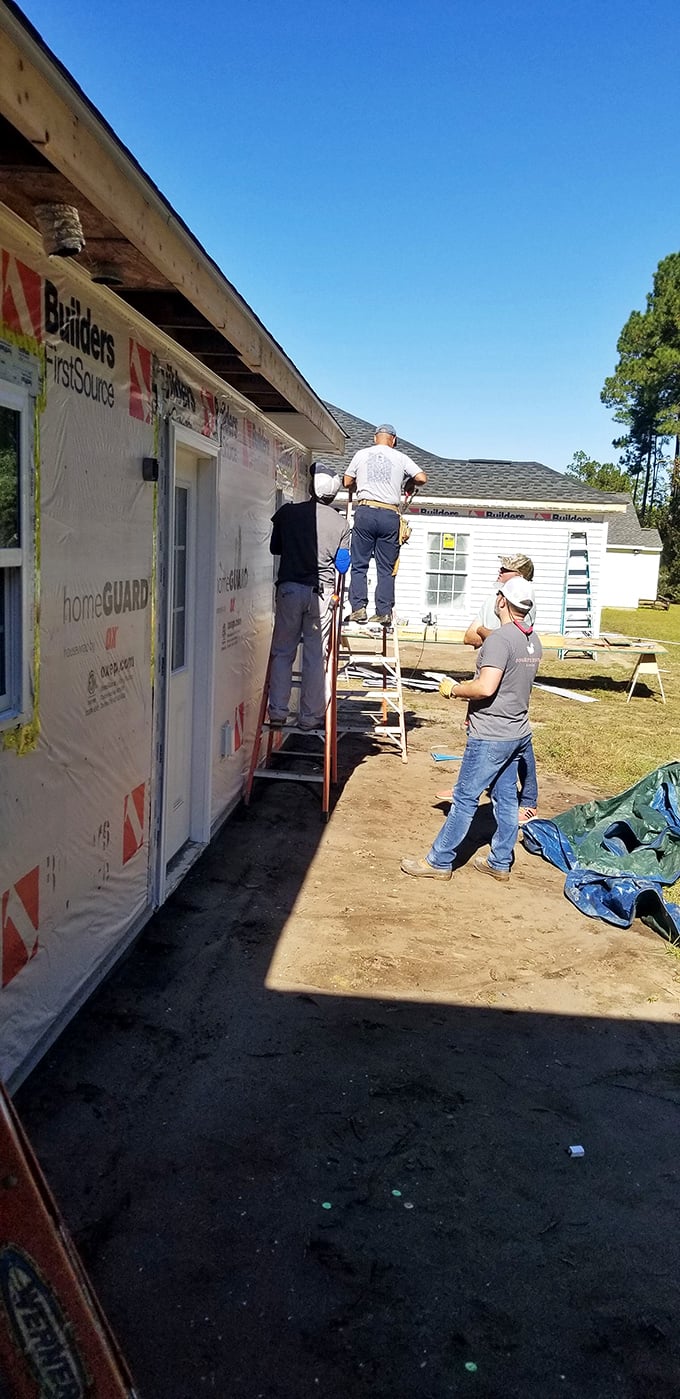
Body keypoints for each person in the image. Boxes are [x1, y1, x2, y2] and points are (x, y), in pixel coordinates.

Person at [401, 575, 542, 883]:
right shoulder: (532, 640)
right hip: (516, 731)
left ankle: (439, 861)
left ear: (502, 601)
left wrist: (454, 689)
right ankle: (500, 861)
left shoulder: (500, 640)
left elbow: (486, 687)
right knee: (506, 799)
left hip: (491, 734)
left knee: (465, 798)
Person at [268, 464, 350, 730]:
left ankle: (277, 712)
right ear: (333, 494)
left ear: (311, 488)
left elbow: (275, 548)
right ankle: (309, 717)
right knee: (315, 656)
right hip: (321, 595)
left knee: (283, 652)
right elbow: (343, 565)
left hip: (290, 590)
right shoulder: (341, 524)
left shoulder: (287, 513)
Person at [463, 553, 538, 821]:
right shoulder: (495, 599)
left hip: (504, 690)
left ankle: (528, 799)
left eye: (505, 569)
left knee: (517, 742)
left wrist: (488, 634)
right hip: (492, 680)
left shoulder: (521, 603)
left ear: (519, 576)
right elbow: (468, 636)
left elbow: (510, 639)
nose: (500, 571)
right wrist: (491, 635)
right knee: (508, 751)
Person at [343, 423, 427, 625]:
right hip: (389, 515)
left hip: (366, 511)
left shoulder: (361, 454)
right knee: (386, 567)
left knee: (360, 564)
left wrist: (359, 483)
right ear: (394, 440)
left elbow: (346, 482)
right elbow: (421, 477)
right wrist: (410, 483)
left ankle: (358, 608)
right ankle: (384, 611)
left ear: (375, 438)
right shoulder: (401, 458)